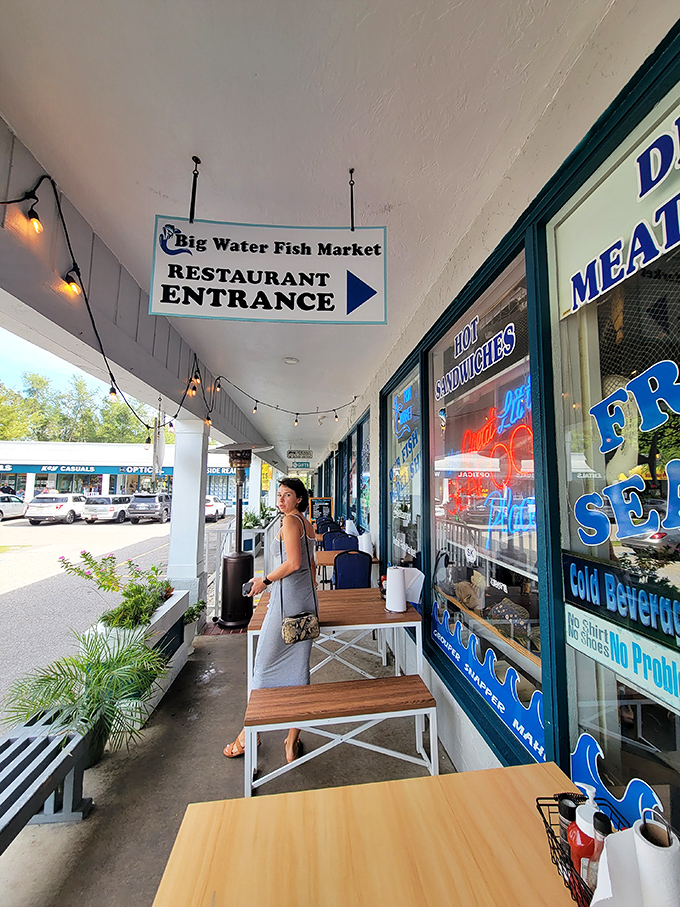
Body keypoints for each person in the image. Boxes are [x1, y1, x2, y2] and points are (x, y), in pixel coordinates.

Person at [223, 477, 317, 764]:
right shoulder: (307, 522)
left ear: (299, 498)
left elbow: (294, 563)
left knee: (262, 667)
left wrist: (264, 580)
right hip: (303, 602)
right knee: (299, 671)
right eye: (279, 495)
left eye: (287, 495)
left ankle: (250, 734)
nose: (281, 500)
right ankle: (291, 740)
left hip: (286, 604)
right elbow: (310, 568)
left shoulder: (290, 522)